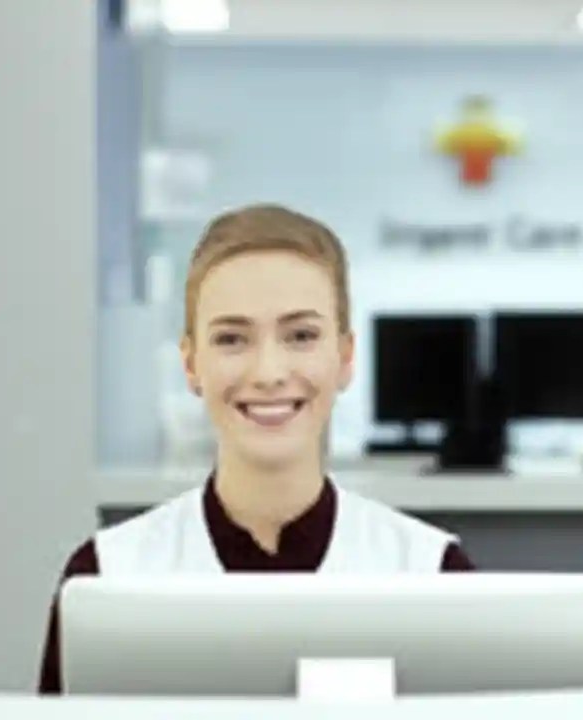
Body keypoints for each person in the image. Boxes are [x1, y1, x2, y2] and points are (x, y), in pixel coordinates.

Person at [37, 204, 475, 694]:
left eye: (301, 336)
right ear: (191, 364)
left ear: (345, 357)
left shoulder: (433, 574)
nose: (268, 372)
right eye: (231, 339)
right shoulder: (106, 578)